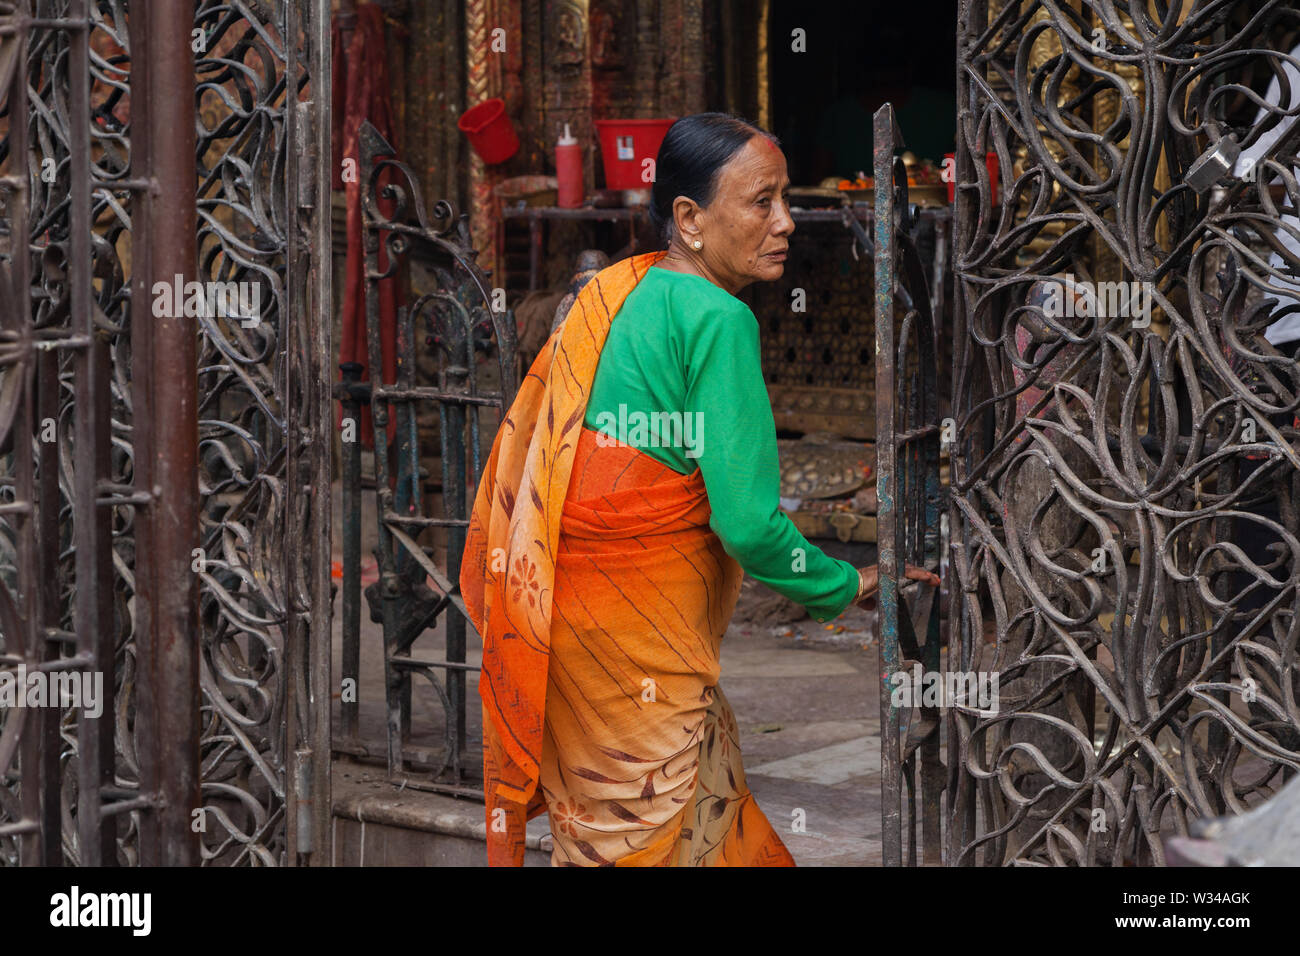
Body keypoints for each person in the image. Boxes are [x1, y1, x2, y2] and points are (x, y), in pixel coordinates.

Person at [460, 112, 939, 867]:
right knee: (637, 835)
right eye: (761, 201)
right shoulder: (720, 320)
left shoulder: (608, 293)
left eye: (784, 198)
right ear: (688, 217)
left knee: (632, 823)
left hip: (566, 623)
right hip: (641, 641)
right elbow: (747, 524)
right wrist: (848, 582)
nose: (784, 222)